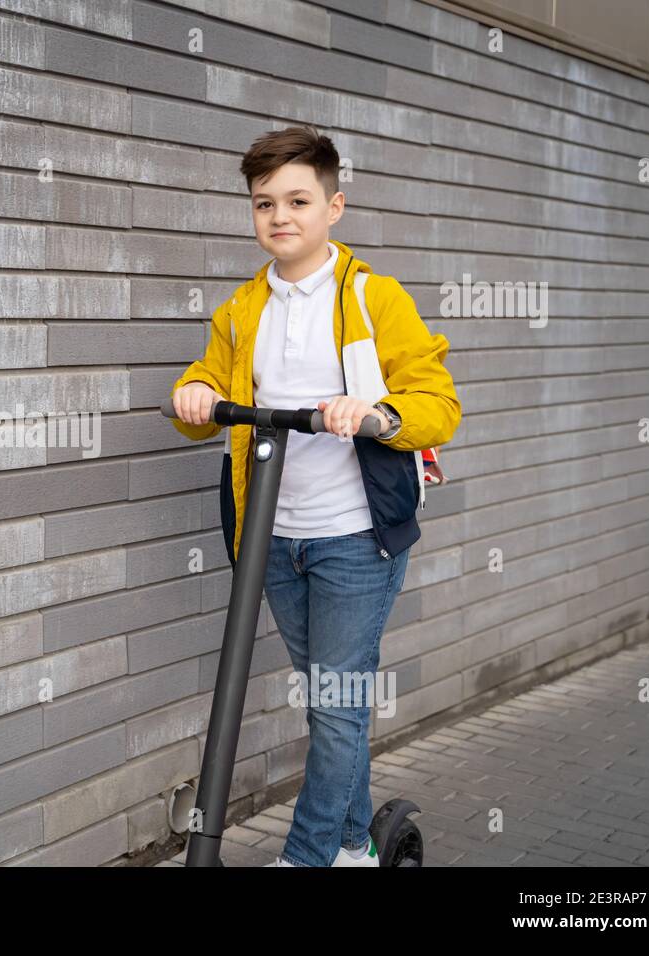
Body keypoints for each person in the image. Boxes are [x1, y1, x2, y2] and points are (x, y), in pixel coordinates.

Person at [168, 125, 461, 867]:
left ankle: (306, 858)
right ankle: (358, 848)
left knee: (334, 707)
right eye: (264, 203)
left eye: (298, 200)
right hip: (271, 536)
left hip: (352, 538)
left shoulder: (372, 299)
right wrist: (196, 394)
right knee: (334, 704)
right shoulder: (242, 310)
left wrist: (377, 415)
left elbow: (437, 401)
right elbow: (209, 387)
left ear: (335, 206)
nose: (280, 217)